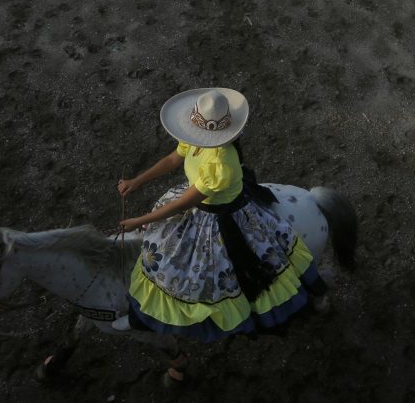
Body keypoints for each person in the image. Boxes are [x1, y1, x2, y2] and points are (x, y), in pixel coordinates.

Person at [113, 87, 325, 350]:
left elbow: (185, 203)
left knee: (184, 269)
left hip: (217, 218)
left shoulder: (221, 163)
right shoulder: (197, 139)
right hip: (198, 205)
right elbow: (173, 158)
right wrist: (138, 180)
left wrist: (140, 220)